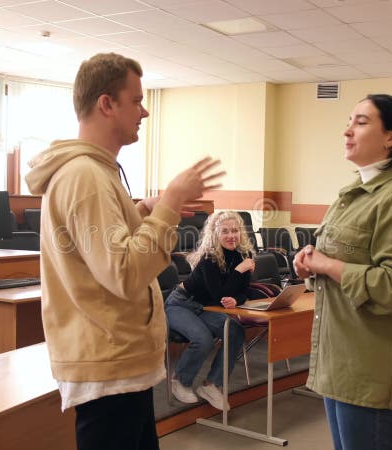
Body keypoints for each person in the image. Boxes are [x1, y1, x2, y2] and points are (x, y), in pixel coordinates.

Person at [25, 52, 224, 450]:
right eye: (136, 100)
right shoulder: (85, 177)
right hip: (106, 365)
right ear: (106, 104)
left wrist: (142, 211)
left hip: (117, 360)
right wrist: (168, 205)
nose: (145, 111)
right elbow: (125, 272)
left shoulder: (95, 173)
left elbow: (98, 248)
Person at [293, 94, 392, 450]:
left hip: (373, 371)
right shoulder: (354, 194)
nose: (347, 131)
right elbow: (344, 259)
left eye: (360, 122)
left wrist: (327, 264)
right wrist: (311, 263)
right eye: (349, 121)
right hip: (343, 363)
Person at [164, 211, 255, 410]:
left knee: (235, 330)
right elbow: (219, 294)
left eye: (235, 230)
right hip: (181, 304)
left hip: (205, 307)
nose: (231, 236)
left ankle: (212, 384)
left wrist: (235, 300)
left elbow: (243, 292)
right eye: (225, 232)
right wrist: (239, 271)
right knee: (203, 338)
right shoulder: (209, 258)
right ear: (215, 234)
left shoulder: (242, 256)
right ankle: (180, 379)